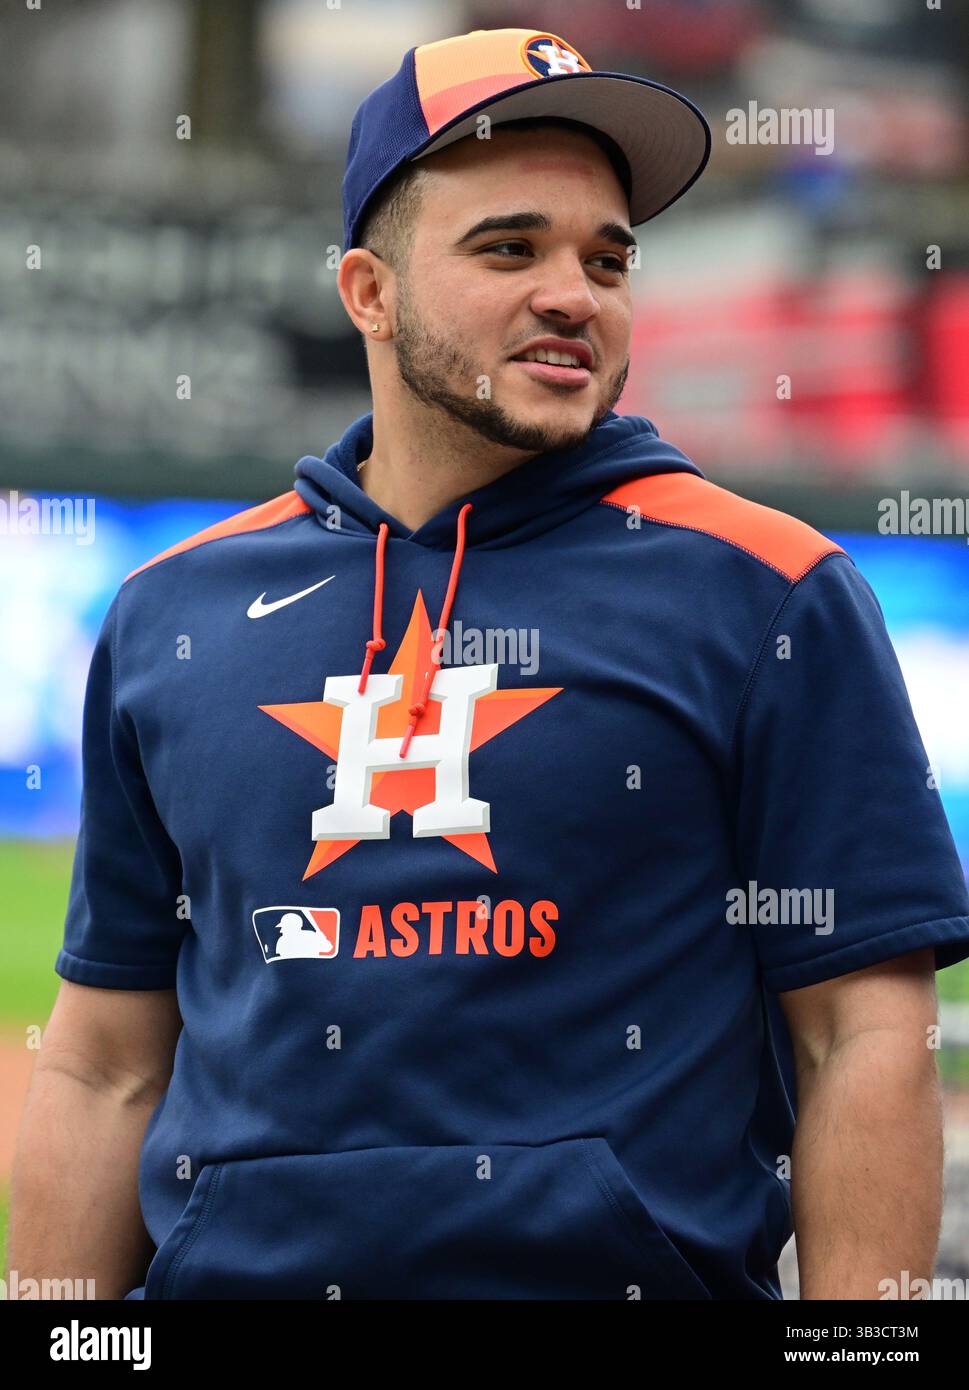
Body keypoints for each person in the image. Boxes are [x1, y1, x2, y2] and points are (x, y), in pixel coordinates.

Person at [9, 27, 969, 1302]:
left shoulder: (773, 593)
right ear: (369, 291)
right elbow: (106, 1062)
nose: (574, 293)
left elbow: (864, 1036)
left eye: (607, 258)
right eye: (510, 248)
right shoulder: (168, 615)